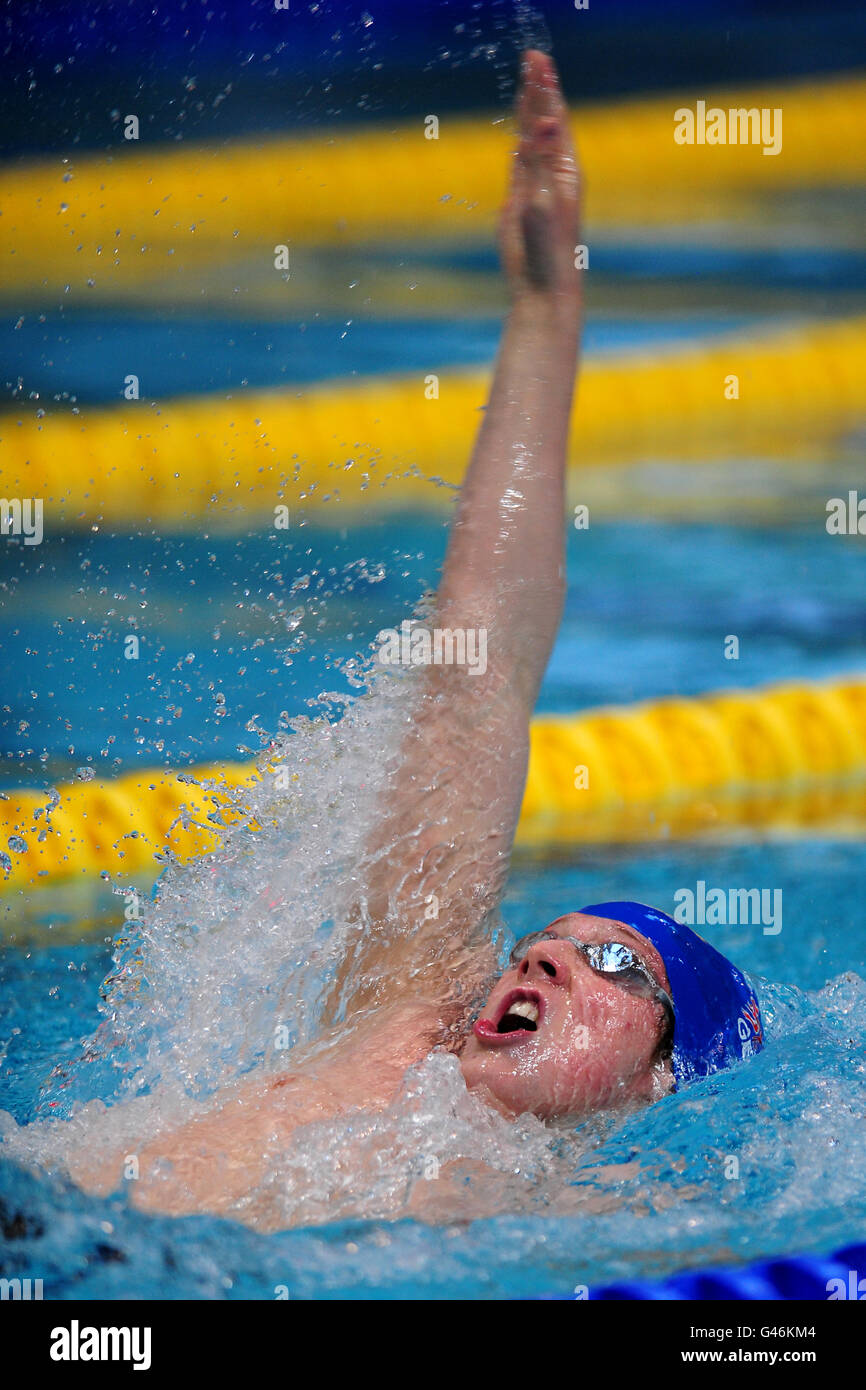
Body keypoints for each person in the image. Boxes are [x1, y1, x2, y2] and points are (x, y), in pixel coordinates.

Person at [68, 49, 763, 1221]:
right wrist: (545, 309)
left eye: (613, 969)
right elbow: (473, 670)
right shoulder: (407, 1028)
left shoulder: (592, 1216)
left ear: (657, 1081)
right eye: (542, 943)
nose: (540, 959)